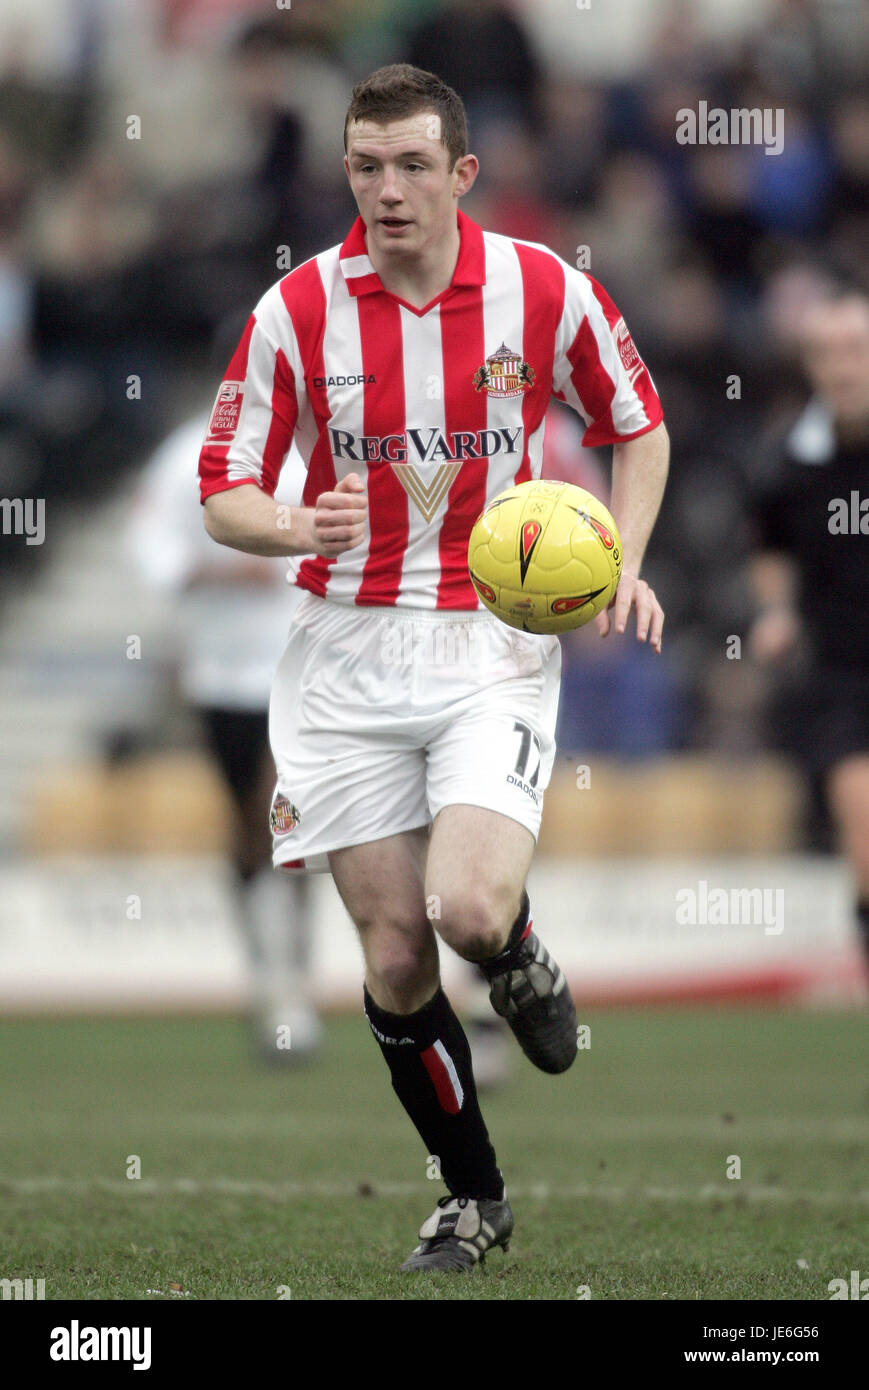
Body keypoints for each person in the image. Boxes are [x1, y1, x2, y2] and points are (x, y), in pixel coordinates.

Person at [198, 64, 668, 1273]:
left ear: (462, 172)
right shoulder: (296, 310)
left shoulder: (541, 287)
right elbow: (224, 492)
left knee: (463, 910)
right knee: (396, 954)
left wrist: (625, 560)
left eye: (412, 165)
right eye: (365, 166)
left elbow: (638, 423)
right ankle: (472, 1195)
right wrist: (296, 525)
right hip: (341, 653)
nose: (386, 189)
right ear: (343, 170)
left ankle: (511, 952)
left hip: (488, 637)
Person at [129, 411, 322, 1062]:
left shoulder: (316, 451)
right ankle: (269, 975)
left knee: (283, 814)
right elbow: (151, 538)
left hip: (302, 662)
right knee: (246, 824)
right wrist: (210, 573)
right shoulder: (188, 453)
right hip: (219, 671)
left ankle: (291, 990)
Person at [748, 290, 869, 974]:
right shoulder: (788, 462)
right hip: (843, 680)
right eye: (826, 353)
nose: (843, 367)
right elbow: (772, 552)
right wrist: (776, 613)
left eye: (854, 350)